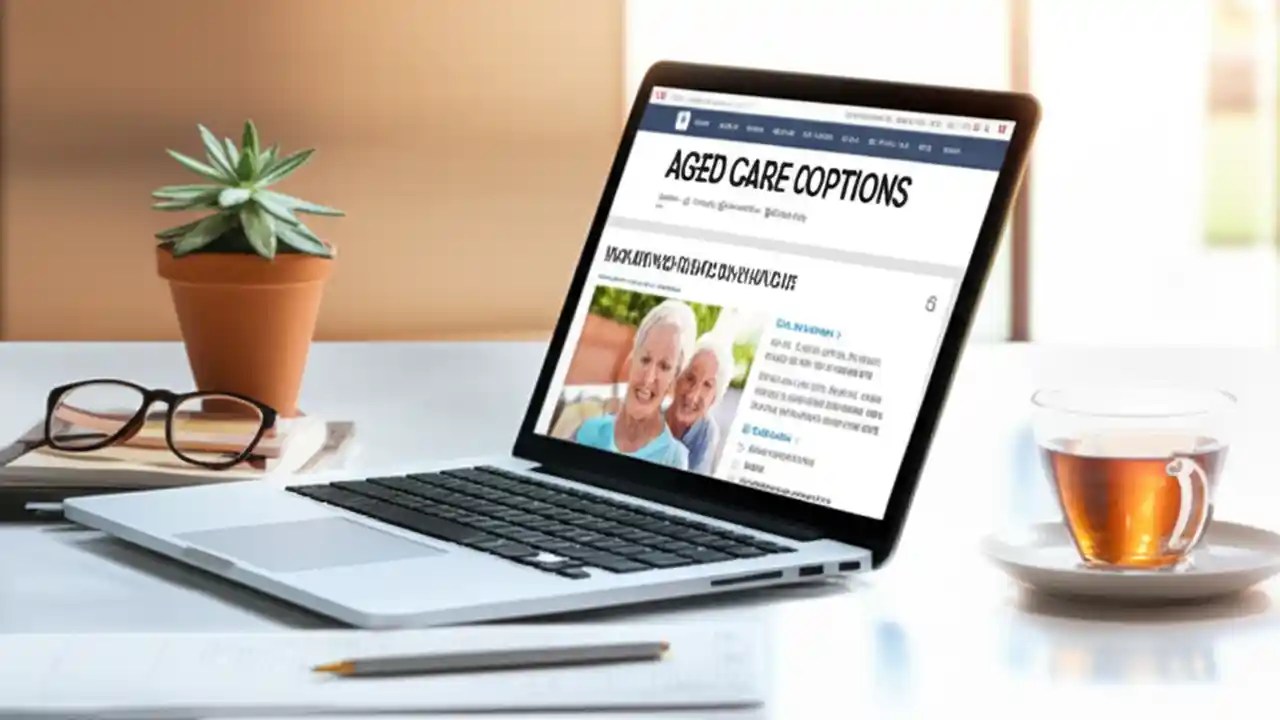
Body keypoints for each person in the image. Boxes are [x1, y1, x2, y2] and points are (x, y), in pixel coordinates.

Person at [574, 299, 698, 469]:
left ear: (675, 376)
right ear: (633, 357)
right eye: (645, 359)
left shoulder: (674, 459)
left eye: (664, 366)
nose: (648, 379)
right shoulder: (590, 431)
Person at [665, 332, 734, 474]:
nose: (692, 395)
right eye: (690, 378)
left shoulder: (706, 433)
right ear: (678, 378)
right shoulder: (653, 413)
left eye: (707, 385)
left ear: (714, 398)